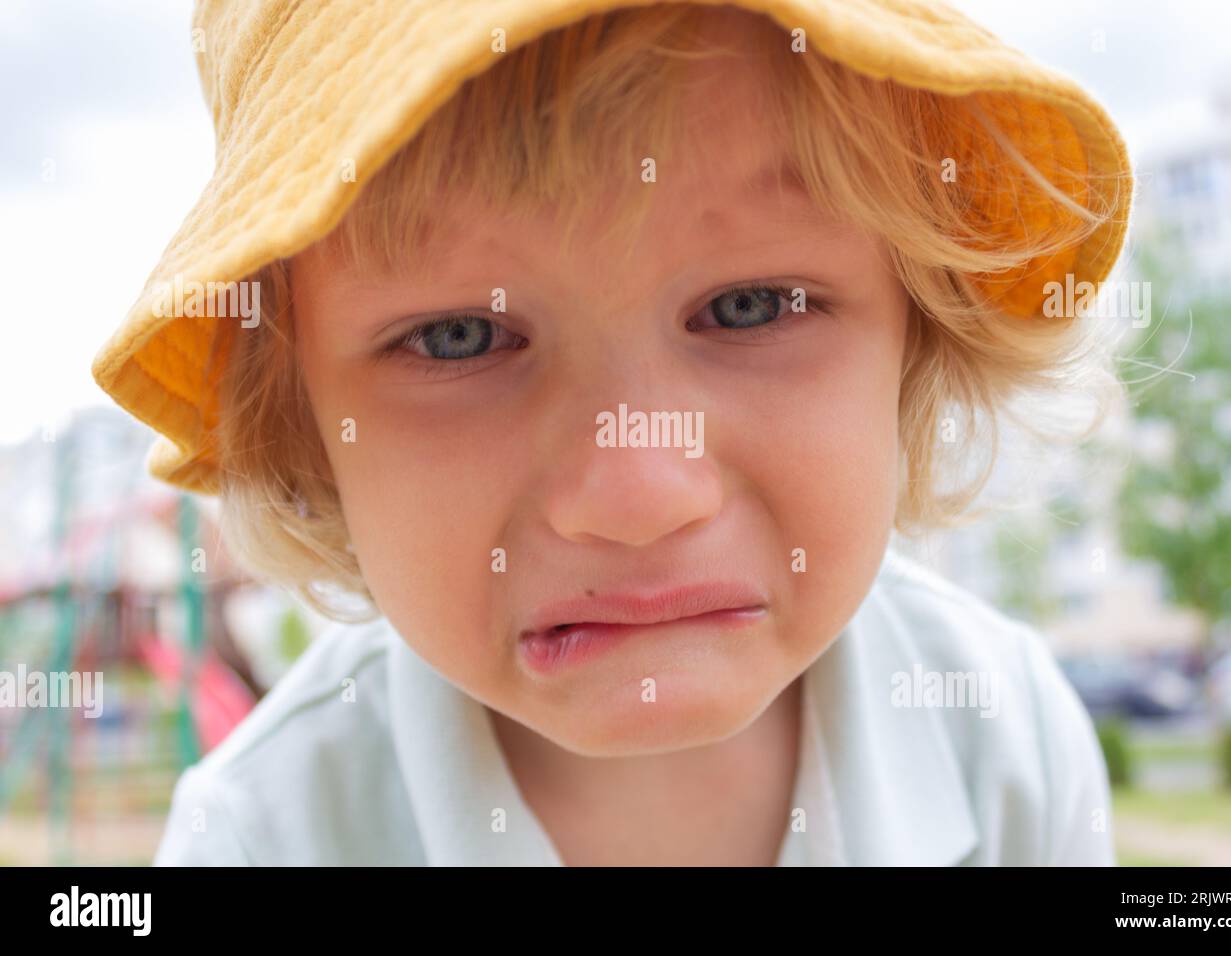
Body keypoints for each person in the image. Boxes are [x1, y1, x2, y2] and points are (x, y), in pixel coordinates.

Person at [91, 0, 1133, 865]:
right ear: (303, 423)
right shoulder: (260, 838)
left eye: (751, 306)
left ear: (916, 340)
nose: (638, 490)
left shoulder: (1004, 739)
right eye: (461, 336)